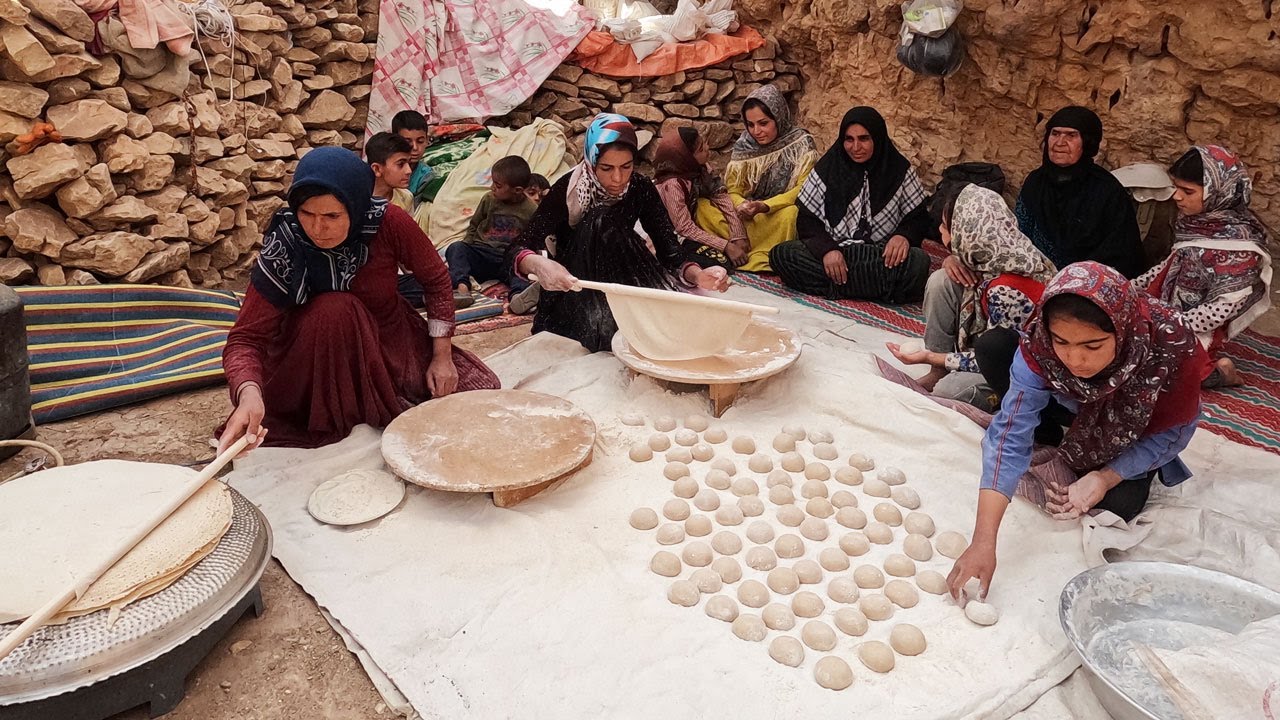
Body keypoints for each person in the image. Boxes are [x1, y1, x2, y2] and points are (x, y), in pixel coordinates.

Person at [947, 262, 1209, 599]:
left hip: (1132, 428)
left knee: (1120, 505)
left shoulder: (1169, 346)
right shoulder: (1041, 344)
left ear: (1123, 330)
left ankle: (1105, 464)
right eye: (1062, 342)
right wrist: (984, 541)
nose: (1075, 359)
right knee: (996, 347)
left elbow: (1174, 430)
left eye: (1092, 346)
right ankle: (1056, 435)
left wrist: (1105, 477)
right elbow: (1009, 435)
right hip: (1074, 405)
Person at [217, 147, 499, 452]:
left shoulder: (389, 222)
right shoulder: (287, 240)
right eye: (307, 214)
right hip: (315, 356)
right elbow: (246, 338)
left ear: (356, 206)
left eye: (332, 216)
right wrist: (248, 393)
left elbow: (436, 280)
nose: (317, 228)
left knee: (478, 396)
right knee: (336, 307)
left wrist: (441, 357)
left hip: (387, 343)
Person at [509, 113, 730, 352]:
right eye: (606, 168)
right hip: (577, 288)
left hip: (624, 278)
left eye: (626, 167)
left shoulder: (639, 188)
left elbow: (669, 250)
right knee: (600, 219)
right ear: (592, 161)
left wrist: (698, 275)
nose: (618, 178)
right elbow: (517, 248)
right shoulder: (566, 191)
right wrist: (538, 265)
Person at [889, 184, 1057, 404]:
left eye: (946, 226)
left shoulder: (1006, 291)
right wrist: (952, 258)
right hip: (992, 350)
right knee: (943, 281)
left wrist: (931, 356)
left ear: (967, 233)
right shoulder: (996, 254)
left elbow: (994, 358)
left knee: (949, 391)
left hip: (1018, 373)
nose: (940, 231)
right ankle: (938, 370)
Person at [1133, 145, 1272, 388]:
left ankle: (1219, 373)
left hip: (1197, 326)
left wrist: (1173, 327)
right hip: (1169, 313)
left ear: (1219, 193)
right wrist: (1130, 287)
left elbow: (1222, 308)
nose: (1177, 196)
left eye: (1188, 191)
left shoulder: (1239, 246)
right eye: (1175, 187)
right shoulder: (1196, 224)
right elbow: (1168, 268)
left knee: (1158, 378)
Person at [770, 106, 932, 303]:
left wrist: (903, 236)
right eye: (849, 139)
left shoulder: (899, 170)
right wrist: (827, 250)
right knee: (782, 255)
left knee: (919, 263)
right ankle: (878, 288)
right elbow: (807, 221)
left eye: (864, 139)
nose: (856, 147)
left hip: (879, 254)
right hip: (837, 251)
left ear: (877, 138)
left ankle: (838, 285)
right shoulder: (827, 168)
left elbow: (919, 219)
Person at [1014, 106, 1146, 278]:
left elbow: (1121, 254)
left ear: (1088, 142)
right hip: (1037, 273)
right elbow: (1019, 234)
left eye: (1071, 135)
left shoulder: (1106, 190)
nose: (1060, 142)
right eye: (1055, 134)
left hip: (1089, 283)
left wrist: (1072, 278)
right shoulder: (1036, 182)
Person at [699, 85, 817, 272]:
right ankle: (734, 249)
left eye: (763, 123)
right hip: (746, 214)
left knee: (792, 214)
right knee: (703, 207)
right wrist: (742, 205)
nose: (756, 131)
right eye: (750, 125)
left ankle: (768, 256)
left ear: (778, 117)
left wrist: (765, 206)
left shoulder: (801, 143)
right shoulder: (744, 145)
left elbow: (803, 189)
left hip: (775, 214)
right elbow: (733, 189)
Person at [445, 156, 538, 309]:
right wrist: (467, 246)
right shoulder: (489, 199)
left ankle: (518, 297)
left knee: (521, 267)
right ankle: (462, 288)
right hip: (482, 254)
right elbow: (475, 224)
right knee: (456, 248)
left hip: (506, 259)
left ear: (517, 190)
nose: (492, 188)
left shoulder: (531, 209)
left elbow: (533, 237)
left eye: (498, 185)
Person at [653, 126, 750, 270]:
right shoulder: (672, 184)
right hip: (668, 235)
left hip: (685, 232)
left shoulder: (700, 170)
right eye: (700, 149)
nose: (707, 148)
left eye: (703, 142)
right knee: (720, 263)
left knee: (726, 258)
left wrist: (738, 234)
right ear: (686, 157)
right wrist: (726, 246)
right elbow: (684, 228)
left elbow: (720, 196)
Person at [364, 132, 415, 213]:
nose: (409, 171)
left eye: (409, 163)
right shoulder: (359, 200)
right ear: (377, 169)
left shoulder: (406, 198)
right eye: (400, 164)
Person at [392, 110, 433, 198]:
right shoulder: (384, 168)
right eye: (407, 142)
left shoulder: (425, 176)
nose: (415, 148)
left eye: (420, 141)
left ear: (427, 140)